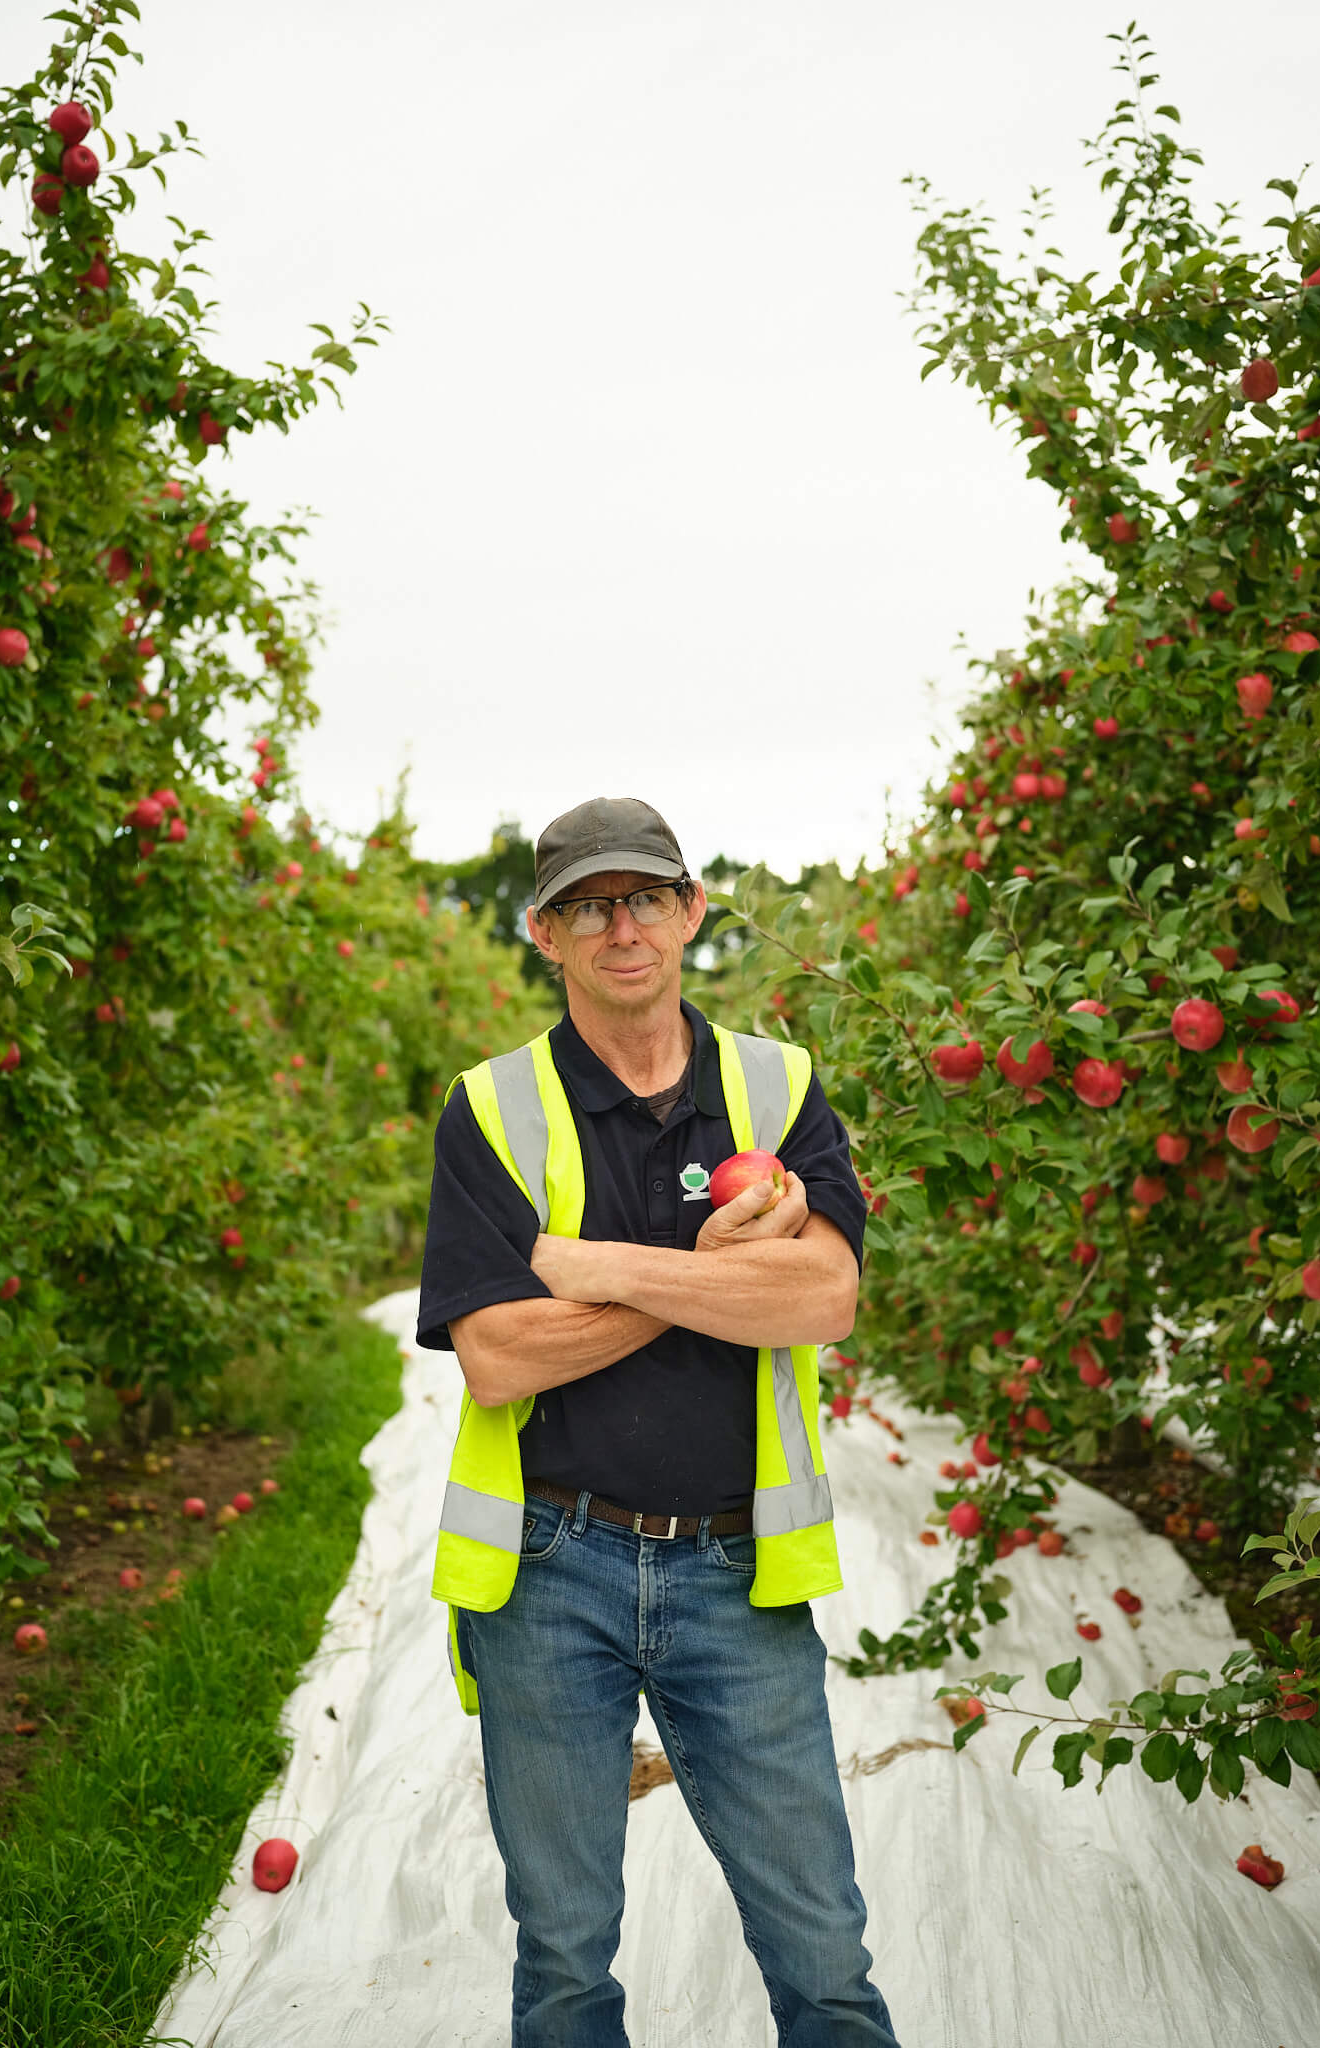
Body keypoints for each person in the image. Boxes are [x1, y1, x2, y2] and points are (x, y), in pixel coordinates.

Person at [417, 795, 902, 2048]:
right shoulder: (490, 1108)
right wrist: (709, 1272)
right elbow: (498, 1357)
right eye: (585, 903)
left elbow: (826, 1294)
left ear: (690, 910)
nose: (618, 924)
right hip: (548, 1570)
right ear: (543, 930)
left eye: (642, 896)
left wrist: (600, 1265)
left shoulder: (776, 1086)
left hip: (738, 1569)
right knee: (566, 1958)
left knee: (825, 1953)